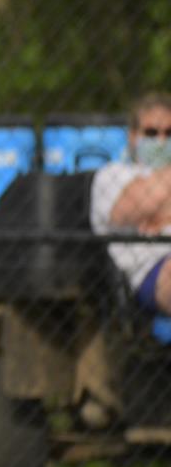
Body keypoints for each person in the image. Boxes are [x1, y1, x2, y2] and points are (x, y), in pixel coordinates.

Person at [89, 92, 171, 316]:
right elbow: (134, 209)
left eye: (169, 133)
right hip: (152, 269)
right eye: (151, 132)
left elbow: (152, 202)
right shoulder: (113, 175)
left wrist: (161, 213)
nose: (161, 141)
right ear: (133, 136)